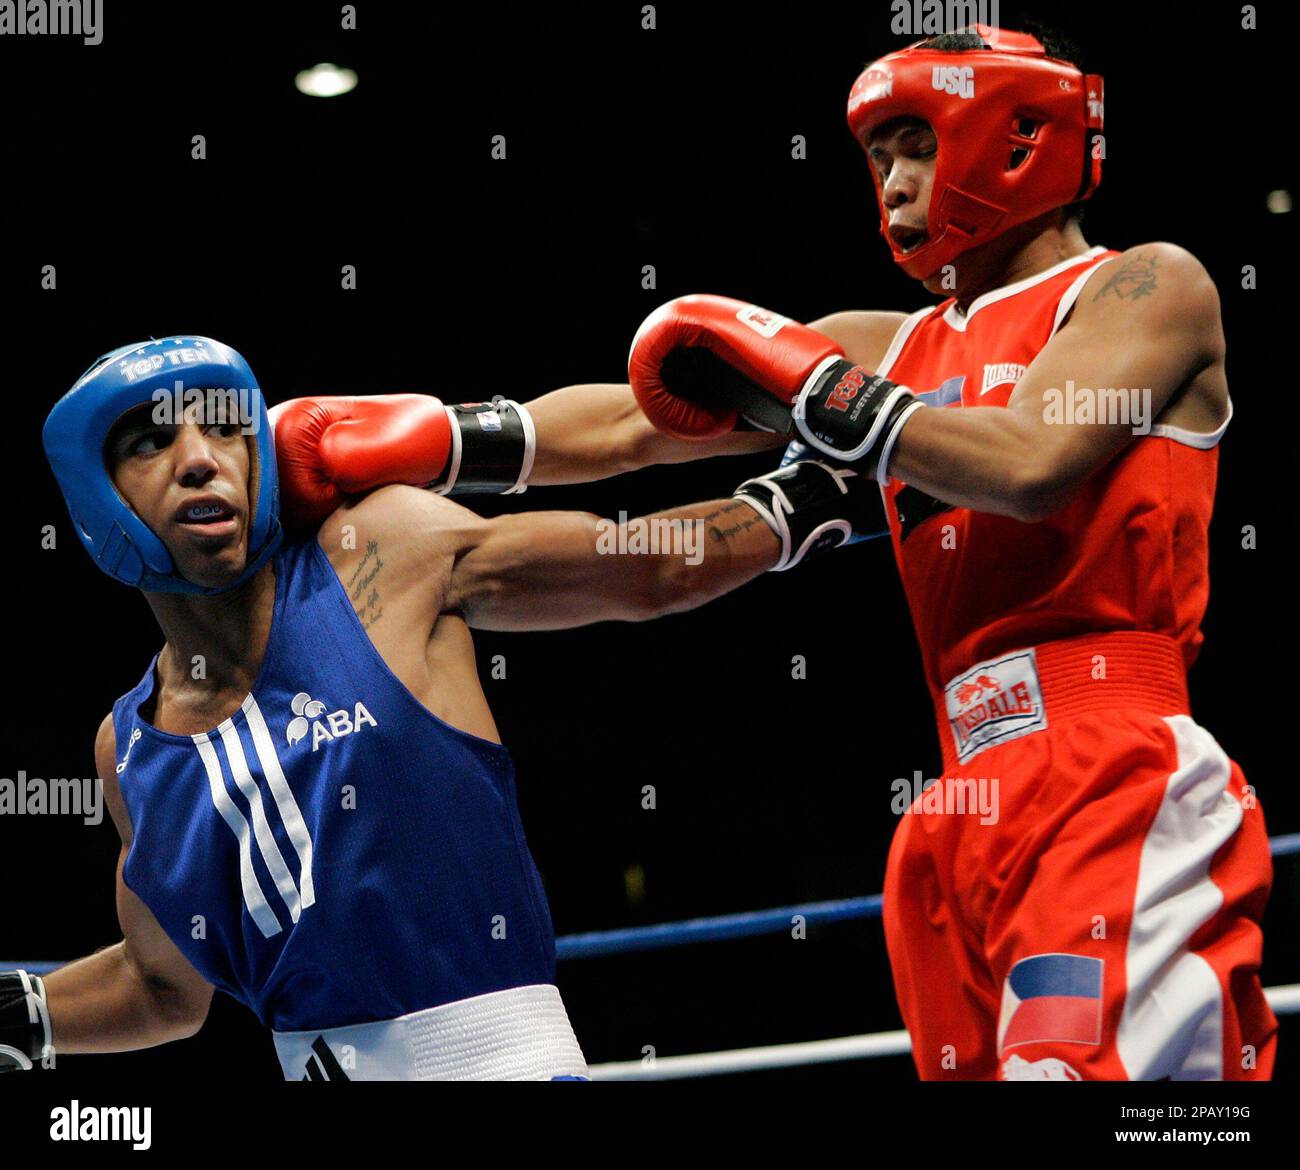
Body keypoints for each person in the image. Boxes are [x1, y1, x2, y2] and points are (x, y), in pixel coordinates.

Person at [513, 25, 1277, 1081]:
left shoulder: (1143, 288)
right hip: (959, 804)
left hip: (1113, 768)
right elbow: (630, 427)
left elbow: (1030, 459)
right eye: (878, 160)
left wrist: (830, 398)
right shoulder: (894, 344)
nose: (895, 185)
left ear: (1015, 139)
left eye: (916, 146)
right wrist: (431, 439)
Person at [1, 335, 882, 1080]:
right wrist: (31, 1009)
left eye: (227, 430)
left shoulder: (379, 553)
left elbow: (643, 566)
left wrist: (830, 492)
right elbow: (163, 990)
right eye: (150, 443)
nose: (200, 456)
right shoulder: (131, 749)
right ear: (96, 495)